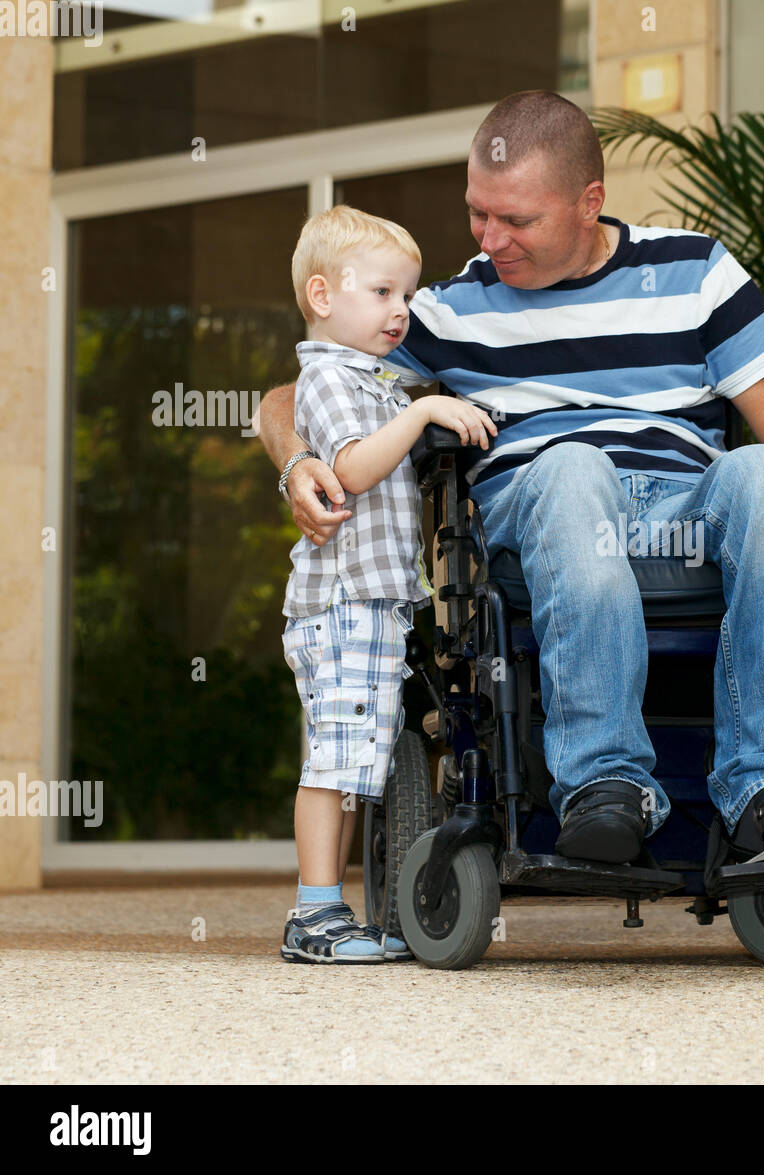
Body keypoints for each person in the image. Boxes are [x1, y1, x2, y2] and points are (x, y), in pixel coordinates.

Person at [258, 91, 764, 867]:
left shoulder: (695, 270)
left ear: (589, 203)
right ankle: (606, 783)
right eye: (479, 213)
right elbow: (292, 393)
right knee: (574, 467)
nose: (490, 239)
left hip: (683, 508)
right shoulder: (447, 310)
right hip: (544, 508)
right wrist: (299, 459)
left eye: (518, 220)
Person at [277, 205, 497, 962]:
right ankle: (313, 913)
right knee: (333, 762)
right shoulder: (331, 380)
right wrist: (425, 408)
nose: (400, 311)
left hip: (368, 605)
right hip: (341, 606)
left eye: (406, 295)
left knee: (354, 757)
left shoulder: (368, 380)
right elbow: (351, 468)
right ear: (323, 295)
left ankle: (332, 908)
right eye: (381, 293)